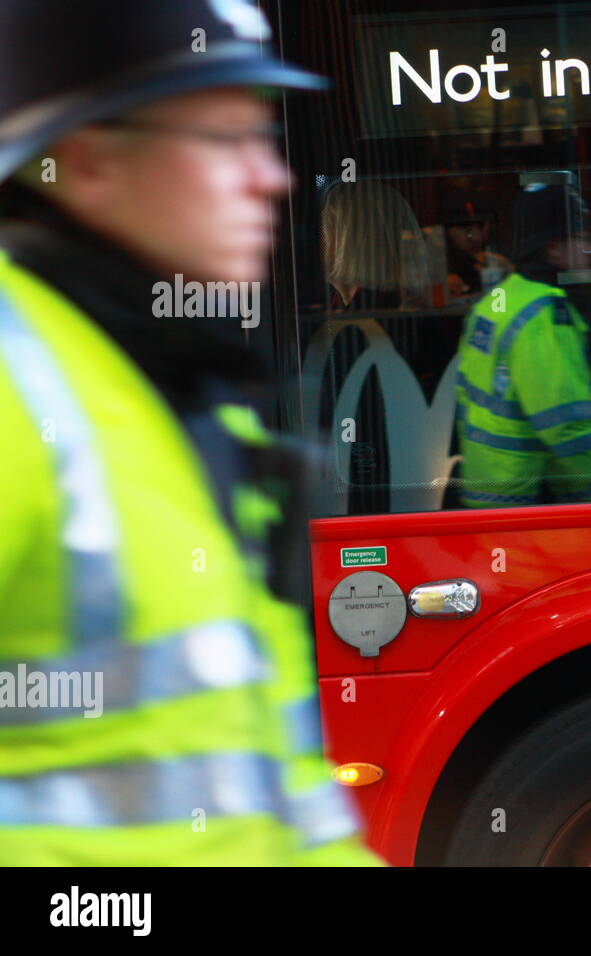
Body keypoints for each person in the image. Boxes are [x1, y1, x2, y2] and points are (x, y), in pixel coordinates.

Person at [0, 0, 382, 865]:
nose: (271, 177)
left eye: (264, 136)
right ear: (92, 163)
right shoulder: (14, 380)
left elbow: (281, 796)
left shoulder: (192, 397)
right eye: (225, 140)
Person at [455, 184, 591, 507]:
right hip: (525, 506)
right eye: (582, 239)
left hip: (489, 497)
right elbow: (564, 427)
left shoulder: (502, 299)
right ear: (553, 249)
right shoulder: (545, 316)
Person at [321, 180, 432, 311]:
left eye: (325, 227)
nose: (317, 238)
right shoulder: (333, 301)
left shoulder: (385, 309)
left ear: (351, 242)